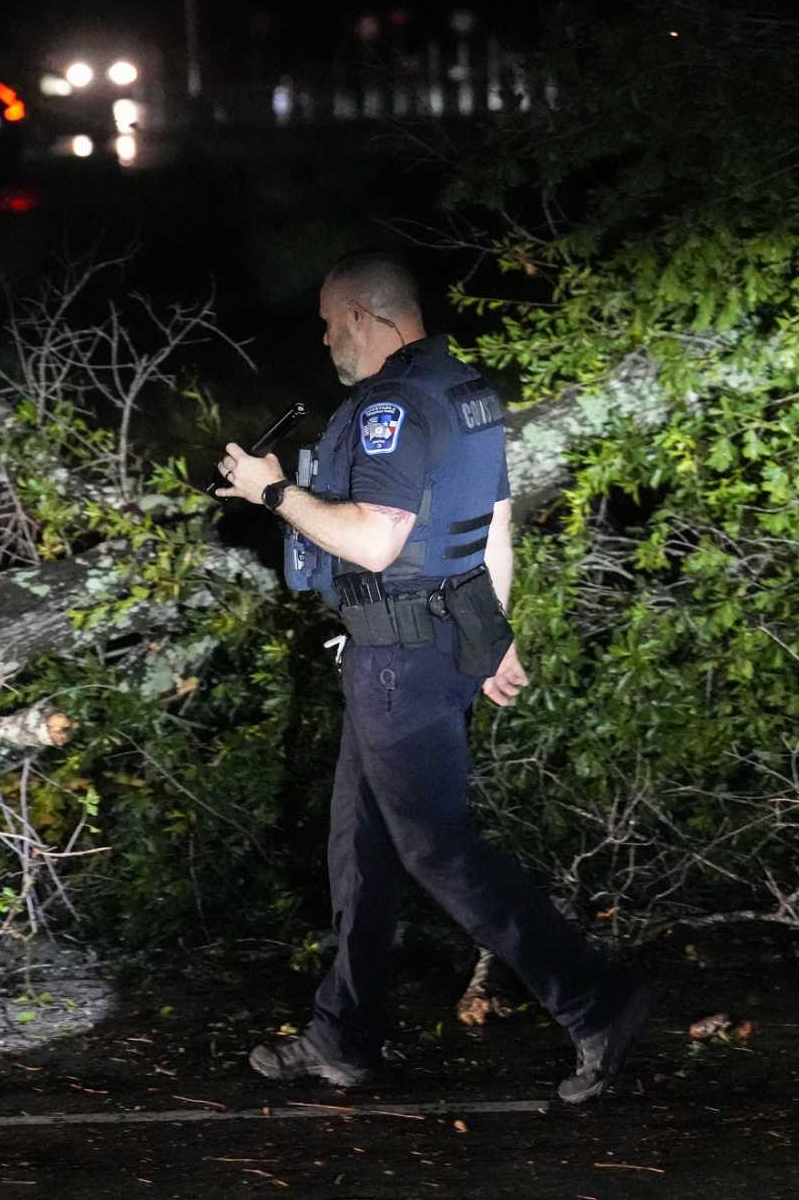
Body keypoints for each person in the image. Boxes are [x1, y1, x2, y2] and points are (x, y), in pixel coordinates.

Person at [213, 251, 650, 1104]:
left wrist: (272, 494)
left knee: (437, 850)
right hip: (434, 645)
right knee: (361, 848)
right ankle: (345, 1037)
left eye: (332, 322)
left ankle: (598, 1001)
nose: (328, 338)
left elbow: (375, 540)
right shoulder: (465, 389)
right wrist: (495, 636)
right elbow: (493, 527)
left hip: (400, 663)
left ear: (369, 317)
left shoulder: (393, 405)